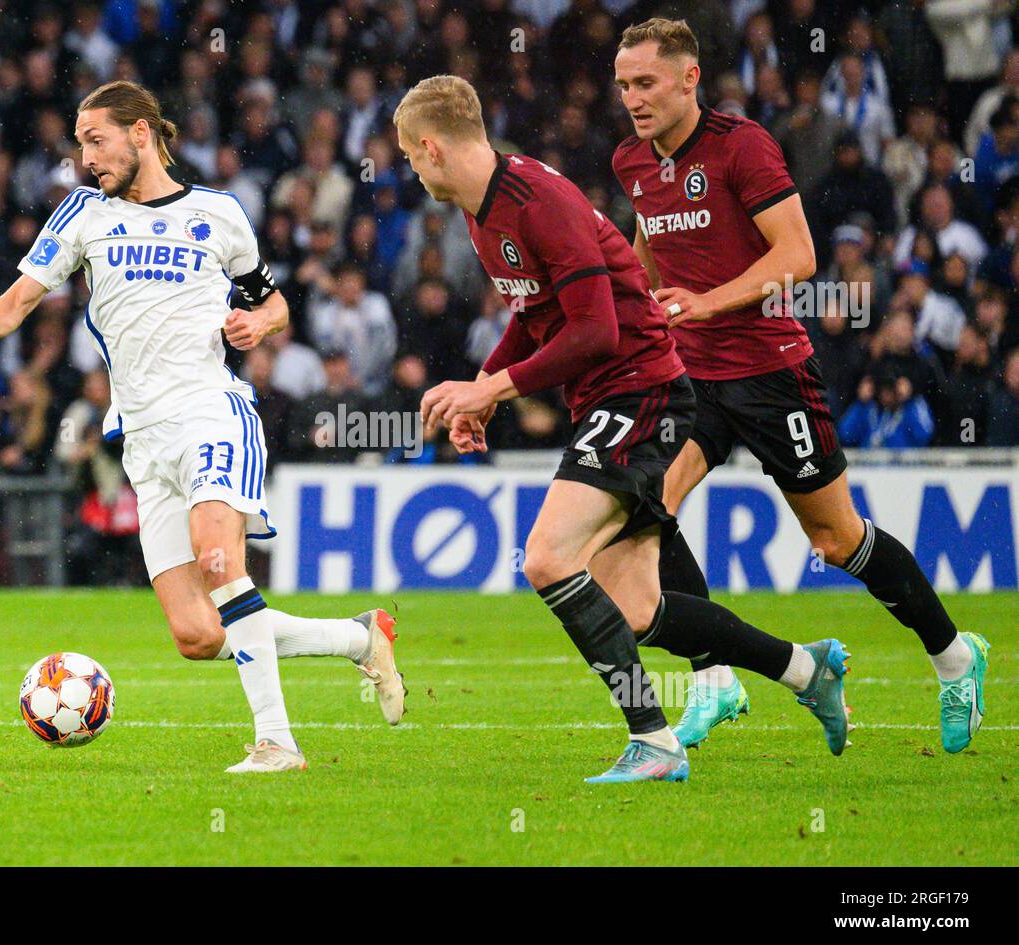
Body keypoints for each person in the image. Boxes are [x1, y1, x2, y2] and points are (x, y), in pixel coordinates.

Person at [398, 74, 852, 785]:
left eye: (407, 155)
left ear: (430, 146)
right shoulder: (480, 210)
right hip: (615, 396)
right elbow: (532, 316)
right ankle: (805, 667)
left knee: (547, 558)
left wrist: (490, 387)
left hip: (641, 389)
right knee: (637, 611)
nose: (409, 169)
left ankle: (654, 739)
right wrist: (485, 392)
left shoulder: (537, 200)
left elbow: (595, 332)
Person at [0, 81, 404, 773]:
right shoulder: (83, 215)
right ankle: (358, 639)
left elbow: (272, 302)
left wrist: (260, 322)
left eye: (95, 140)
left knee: (221, 559)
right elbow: (21, 298)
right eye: (78, 144)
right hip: (141, 437)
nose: (85, 158)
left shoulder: (219, 215)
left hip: (211, 411)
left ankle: (277, 743)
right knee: (195, 634)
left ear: (141, 134)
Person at [612, 18, 988, 754]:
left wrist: (710, 301)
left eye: (646, 82)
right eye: (624, 85)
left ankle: (955, 658)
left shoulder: (740, 146)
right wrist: (633, 313)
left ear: (690, 78)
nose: (633, 98)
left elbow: (799, 253)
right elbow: (647, 251)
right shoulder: (632, 158)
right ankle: (715, 677)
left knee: (836, 537)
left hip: (769, 373)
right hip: (693, 376)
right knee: (650, 507)